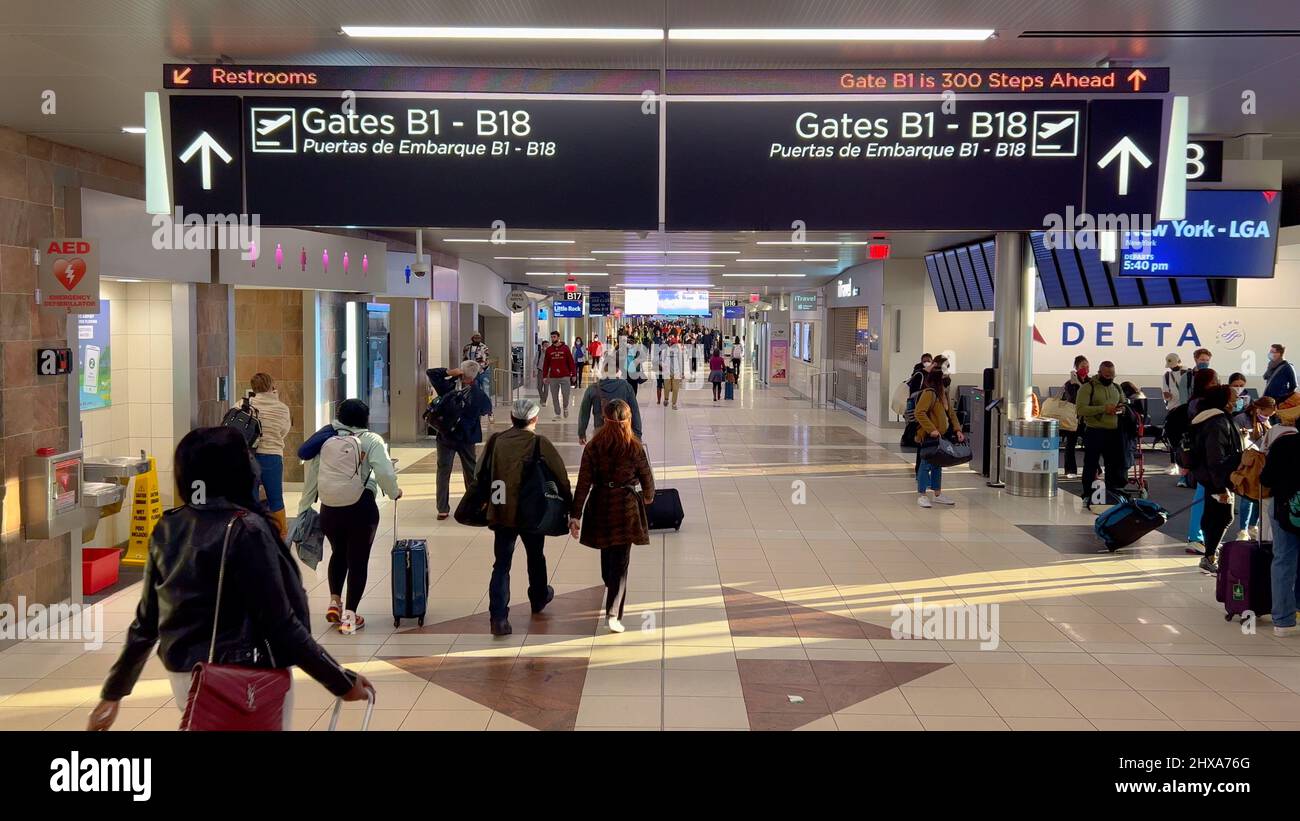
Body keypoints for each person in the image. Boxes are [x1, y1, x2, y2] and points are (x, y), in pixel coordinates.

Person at [88, 427, 374, 731]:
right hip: (244, 677)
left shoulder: (169, 526)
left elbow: (146, 622)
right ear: (236, 471)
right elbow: (280, 624)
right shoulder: (247, 530)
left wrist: (113, 693)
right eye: (247, 456)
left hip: (188, 676)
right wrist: (339, 680)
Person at [299, 398, 402, 634]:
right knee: (358, 561)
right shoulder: (371, 440)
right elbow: (384, 472)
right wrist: (394, 492)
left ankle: (335, 600)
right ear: (365, 419)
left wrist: (305, 507)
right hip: (360, 508)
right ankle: (350, 617)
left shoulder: (326, 439)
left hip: (330, 508)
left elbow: (313, 475)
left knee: (339, 554)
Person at [479, 399, 571, 636]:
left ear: (512, 419)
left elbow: (480, 474)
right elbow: (561, 477)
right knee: (536, 556)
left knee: (501, 563)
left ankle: (498, 618)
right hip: (532, 511)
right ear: (534, 419)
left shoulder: (496, 441)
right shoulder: (539, 443)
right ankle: (539, 597)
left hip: (501, 512)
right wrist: (569, 506)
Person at [569, 399, 655, 633]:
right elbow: (647, 480)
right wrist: (647, 497)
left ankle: (612, 610)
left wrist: (575, 515)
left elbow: (583, 483)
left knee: (610, 557)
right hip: (626, 507)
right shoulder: (635, 447)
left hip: (600, 504)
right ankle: (613, 610)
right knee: (619, 562)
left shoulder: (594, 446)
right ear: (628, 420)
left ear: (603, 420)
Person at [427, 362, 493, 521]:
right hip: (467, 437)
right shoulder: (479, 394)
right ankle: (472, 506)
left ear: (461, 372)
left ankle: (442, 509)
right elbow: (486, 410)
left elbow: (431, 372)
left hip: (446, 436)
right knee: (470, 471)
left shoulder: (447, 387)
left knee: (443, 471)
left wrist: (448, 372)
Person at [1189, 385, 1244, 574]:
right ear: (1225, 401)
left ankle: (1210, 550)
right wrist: (1221, 487)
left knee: (1213, 515)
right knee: (1223, 517)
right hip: (1218, 478)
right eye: (1235, 397)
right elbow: (1215, 457)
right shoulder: (1218, 422)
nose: (1238, 401)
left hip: (1209, 477)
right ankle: (1210, 555)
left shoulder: (1209, 417)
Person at [1260, 422, 1300, 636]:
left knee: (1283, 560)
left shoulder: (1283, 443)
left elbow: (1266, 478)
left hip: (1284, 508)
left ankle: (1282, 622)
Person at [912, 367, 964, 509]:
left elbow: (951, 414)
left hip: (942, 437)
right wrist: (932, 429)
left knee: (937, 464)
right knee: (925, 464)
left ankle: (937, 494)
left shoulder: (944, 394)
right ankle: (922, 495)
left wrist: (957, 429)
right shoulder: (929, 393)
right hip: (929, 436)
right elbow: (919, 412)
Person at [1077, 361, 1127, 506]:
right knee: (1091, 464)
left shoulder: (1116, 387)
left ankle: (1112, 493)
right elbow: (1081, 409)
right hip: (1094, 431)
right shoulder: (1088, 388)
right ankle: (1087, 494)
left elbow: (1124, 404)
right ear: (1099, 373)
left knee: (1113, 465)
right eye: (1106, 375)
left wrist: (1121, 409)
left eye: (1112, 375)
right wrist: (1103, 409)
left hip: (1114, 432)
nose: (1109, 377)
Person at [248, 372, 292, 539]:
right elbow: (283, 431)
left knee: (251, 499)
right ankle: (281, 535)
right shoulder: (281, 408)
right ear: (272, 385)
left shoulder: (243, 404)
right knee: (275, 498)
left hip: (249, 457)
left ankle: (251, 534)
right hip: (272, 456)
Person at [1234, 395, 1276, 541]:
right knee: (1247, 497)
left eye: (1270, 415)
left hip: (1261, 463)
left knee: (1259, 497)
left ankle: (1253, 526)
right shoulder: (1241, 418)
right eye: (1266, 413)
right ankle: (1243, 530)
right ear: (1259, 408)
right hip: (1248, 463)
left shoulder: (1266, 421)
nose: (1267, 417)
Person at [578, 352, 643, 444]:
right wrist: (637, 435)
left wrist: (581, 433)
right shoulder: (626, 387)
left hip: (600, 434)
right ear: (617, 370)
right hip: (622, 434)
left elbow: (584, 413)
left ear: (603, 370)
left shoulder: (593, 389)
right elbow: (635, 412)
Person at [1060, 356, 1089, 479]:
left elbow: (1091, 397)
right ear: (1076, 368)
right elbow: (1073, 399)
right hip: (1073, 419)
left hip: (1087, 419)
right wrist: (1076, 383)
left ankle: (1095, 468)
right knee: (1070, 445)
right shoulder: (1069, 384)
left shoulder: (1091, 382)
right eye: (1083, 366)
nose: (1085, 368)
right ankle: (1070, 470)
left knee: (1091, 444)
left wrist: (1080, 383)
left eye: (1087, 366)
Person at [541, 330, 576, 420]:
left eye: (554, 337)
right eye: (552, 337)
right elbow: (546, 364)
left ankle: (565, 407)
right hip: (553, 377)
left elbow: (571, 362)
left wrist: (574, 374)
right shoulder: (549, 350)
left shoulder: (565, 348)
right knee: (554, 396)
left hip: (565, 376)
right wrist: (544, 376)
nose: (553, 339)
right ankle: (557, 413)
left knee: (566, 394)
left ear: (558, 337)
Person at [462, 332, 494, 424]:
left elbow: (485, 360)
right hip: (472, 373)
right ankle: (476, 414)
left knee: (486, 392)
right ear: (472, 338)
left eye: (479, 337)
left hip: (483, 372)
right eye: (475, 337)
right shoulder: (467, 348)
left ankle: (489, 412)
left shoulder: (484, 347)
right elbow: (464, 359)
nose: (477, 339)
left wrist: (480, 369)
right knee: (474, 393)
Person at [660, 335, 687, 409]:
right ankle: (666, 399)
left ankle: (674, 404)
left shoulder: (679, 352)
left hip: (676, 373)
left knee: (675, 389)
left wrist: (682, 373)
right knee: (667, 388)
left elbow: (681, 363)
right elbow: (660, 361)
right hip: (667, 372)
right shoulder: (664, 352)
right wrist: (664, 365)